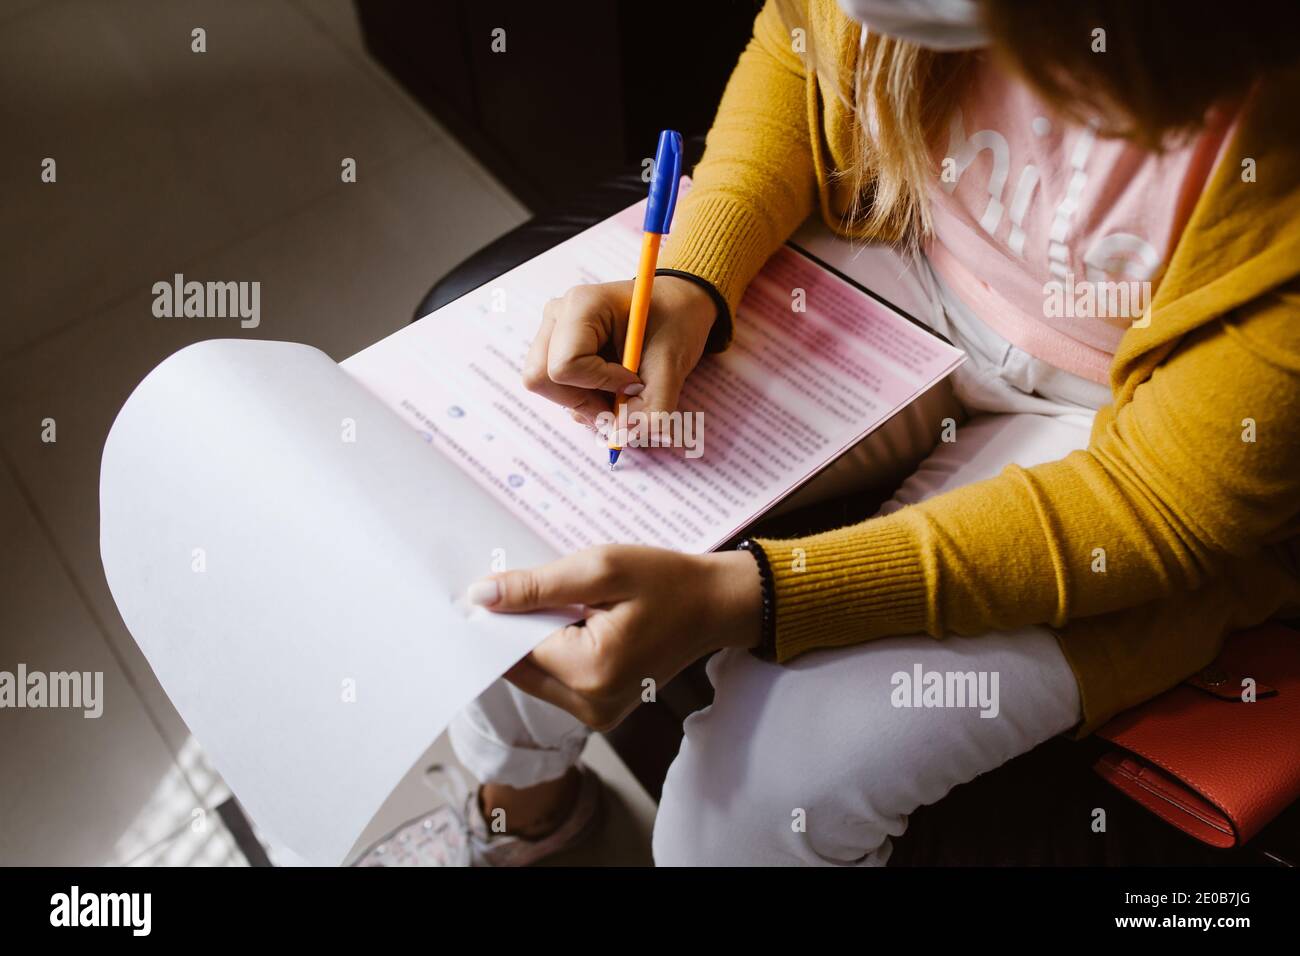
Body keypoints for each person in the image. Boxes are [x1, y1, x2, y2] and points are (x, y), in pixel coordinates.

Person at [363, 0, 1300, 865]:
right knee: (508, 497)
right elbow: (797, 46)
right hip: (900, 244)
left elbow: (1168, 504)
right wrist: (695, 276)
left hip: (1131, 430)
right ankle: (522, 816)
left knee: (758, 800)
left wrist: (752, 597)